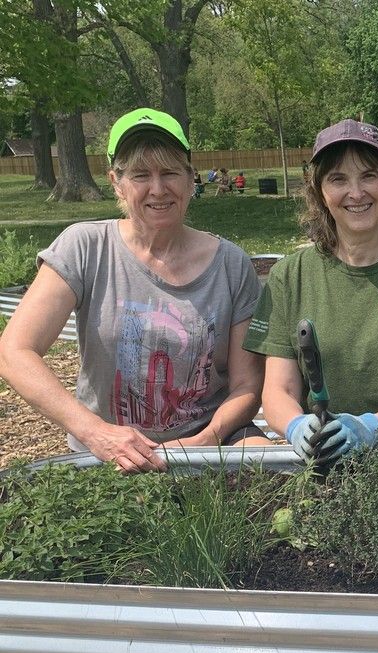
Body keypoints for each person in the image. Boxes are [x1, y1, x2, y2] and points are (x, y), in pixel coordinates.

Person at [0, 107, 270, 472]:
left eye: (170, 172)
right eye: (141, 175)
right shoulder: (85, 248)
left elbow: (247, 386)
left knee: (279, 484)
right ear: (116, 182)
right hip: (108, 451)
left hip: (210, 440)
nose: (158, 189)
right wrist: (96, 433)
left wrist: (200, 443)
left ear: (191, 179)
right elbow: (14, 350)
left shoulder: (231, 265)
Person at [243, 119, 378, 465]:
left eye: (369, 176)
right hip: (320, 460)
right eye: (338, 179)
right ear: (320, 192)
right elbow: (278, 391)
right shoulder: (289, 277)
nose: (356, 192)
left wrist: (371, 428)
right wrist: (294, 425)